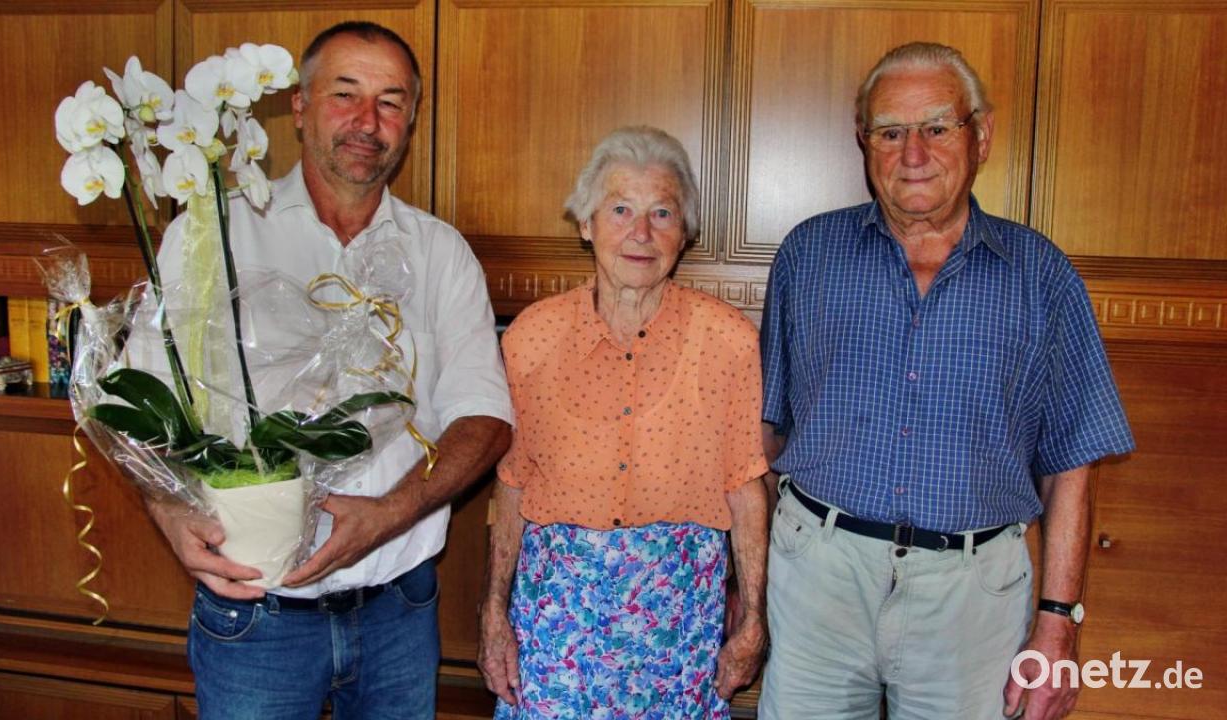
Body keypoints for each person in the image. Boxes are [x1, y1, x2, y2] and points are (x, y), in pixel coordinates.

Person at [142, 21, 513, 720]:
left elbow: (486, 419)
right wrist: (167, 509)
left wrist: (387, 516)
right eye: (346, 94)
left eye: (391, 101)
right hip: (254, 615)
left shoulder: (440, 255)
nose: (368, 122)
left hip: (399, 609)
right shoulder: (209, 233)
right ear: (300, 106)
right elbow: (149, 403)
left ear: (410, 123)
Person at [758, 42, 1134, 720]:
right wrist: (747, 584)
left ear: (980, 134)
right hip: (817, 575)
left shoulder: (1042, 276)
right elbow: (759, 433)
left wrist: (1057, 623)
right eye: (890, 131)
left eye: (936, 126)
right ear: (863, 143)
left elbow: (1072, 463)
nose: (913, 153)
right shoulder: (806, 256)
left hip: (974, 595)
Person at [477, 126, 770, 719]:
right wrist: (493, 612)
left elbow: (746, 486)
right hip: (556, 621)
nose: (641, 233)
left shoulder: (728, 340)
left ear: (684, 233)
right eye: (620, 210)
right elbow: (512, 482)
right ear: (585, 223)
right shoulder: (532, 336)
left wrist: (754, 621)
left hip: (677, 622)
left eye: (662, 212)